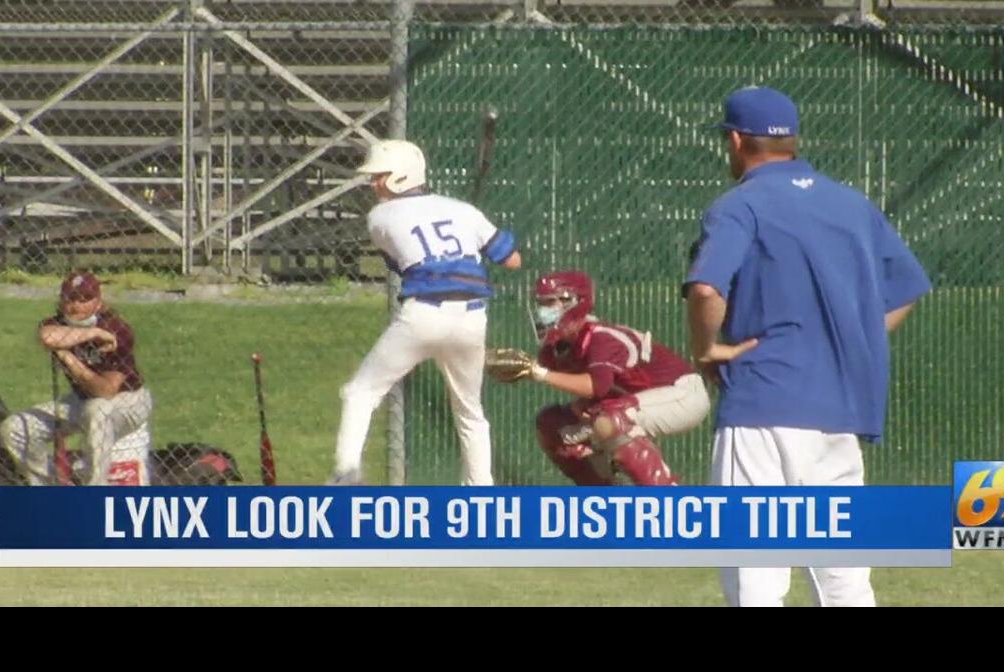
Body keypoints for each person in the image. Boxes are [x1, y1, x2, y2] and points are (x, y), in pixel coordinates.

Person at [684, 86, 932, 607]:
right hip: (840, 411)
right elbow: (907, 286)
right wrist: (854, 336)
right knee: (844, 579)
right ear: (792, 141)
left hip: (763, 409)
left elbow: (706, 289)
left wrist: (706, 349)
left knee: (756, 577)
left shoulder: (741, 204)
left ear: (735, 141)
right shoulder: (850, 203)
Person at [330, 140, 522, 486]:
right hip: (472, 318)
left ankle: (347, 480)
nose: (375, 185)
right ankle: (481, 495)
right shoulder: (464, 210)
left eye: (380, 177)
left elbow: (401, 262)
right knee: (470, 413)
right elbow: (512, 260)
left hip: (424, 316)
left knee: (360, 393)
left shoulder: (379, 217)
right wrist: (475, 230)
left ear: (402, 176)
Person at [488, 270, 709, 485]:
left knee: (614, 420)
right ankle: (604, 498)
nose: (542, 312)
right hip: (635, 400)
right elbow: (607, 390)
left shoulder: (600, 337)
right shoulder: (555, 350)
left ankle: (669, 504)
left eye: (550, 303)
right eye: (541, 304)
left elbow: (598, 386)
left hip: (683, 394)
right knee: (553, 426)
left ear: (575, 303)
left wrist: (538, 373)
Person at [0, 271, 153, 485]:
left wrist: (68, 357)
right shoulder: (57, 323)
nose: (76, 306)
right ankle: (54, 489)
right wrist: (93, 334)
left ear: (98, 302)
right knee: (14, 428)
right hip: (82, 401)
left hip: (127, 402)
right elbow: (47, 336)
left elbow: (106, 391)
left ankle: (94, 493)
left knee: (98, 409)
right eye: (71, 299)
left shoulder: (116, 328)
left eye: (84, 300)